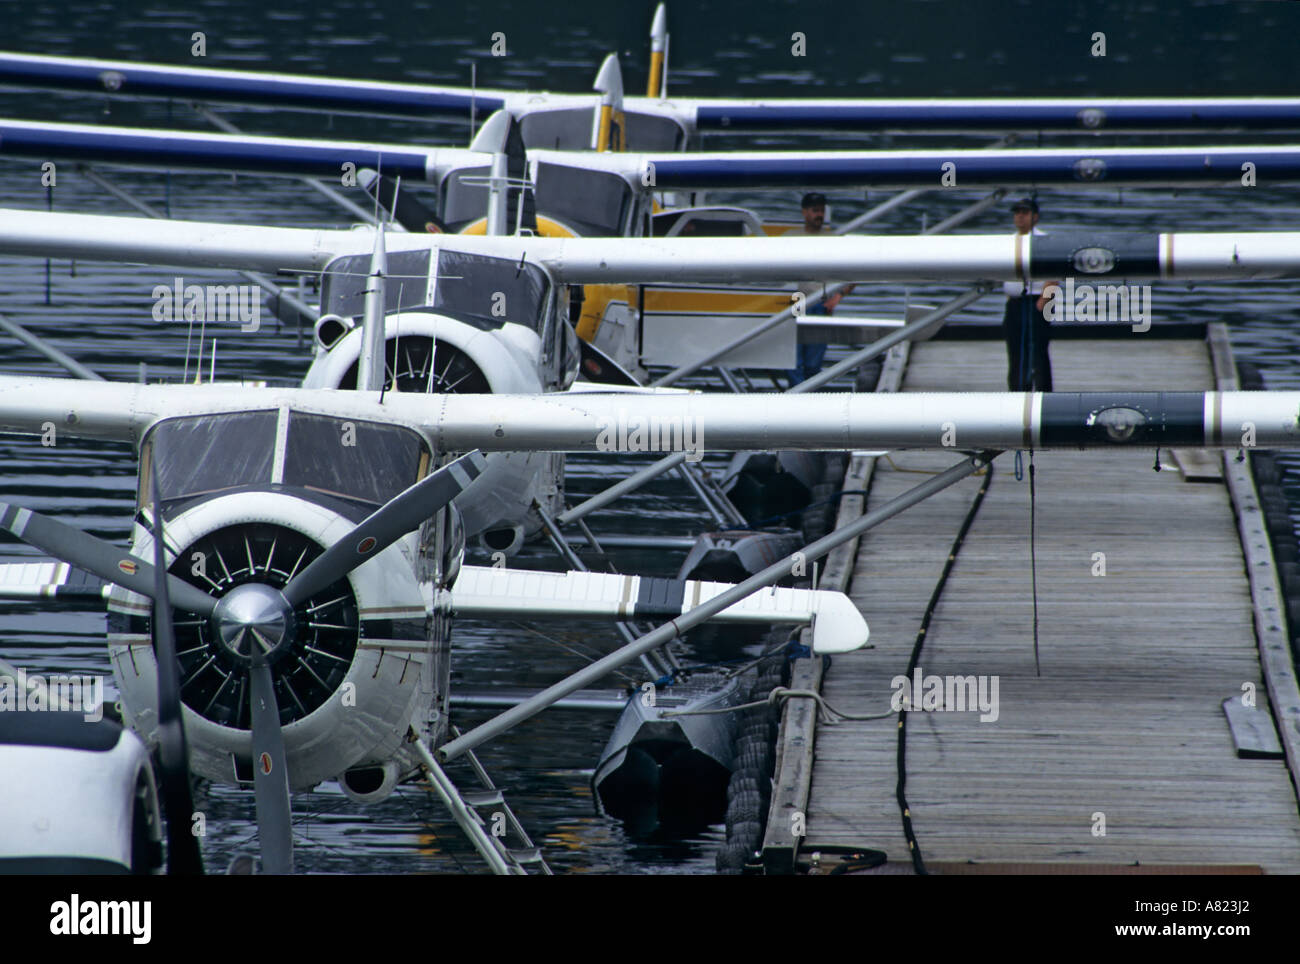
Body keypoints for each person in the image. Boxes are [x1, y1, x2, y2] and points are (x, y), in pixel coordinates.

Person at [787, 192, 854, 386]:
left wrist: (838, 296)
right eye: (815, 210)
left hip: (820, 302)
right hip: (795, 301)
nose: (820, 215)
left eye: (822, 211)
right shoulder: (790, 238)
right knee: (793, 361)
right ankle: (797, 400)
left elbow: (853, 273)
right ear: (804, 212)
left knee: (813, 364)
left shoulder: (832, 240)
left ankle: (808, 401)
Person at [1002, 197, 1059, 391]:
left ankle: (1043, 393)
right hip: (1015, 303)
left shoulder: (1044, 240)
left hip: (1036, 301)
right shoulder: (1009, 241)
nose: (1019, 217)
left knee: (1038, 352)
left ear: (1035, 217)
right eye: (1017, 213)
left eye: (1024, 213)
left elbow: (1054, 276)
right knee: (1015, 351)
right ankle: (1018, 391)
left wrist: (1042, 302)